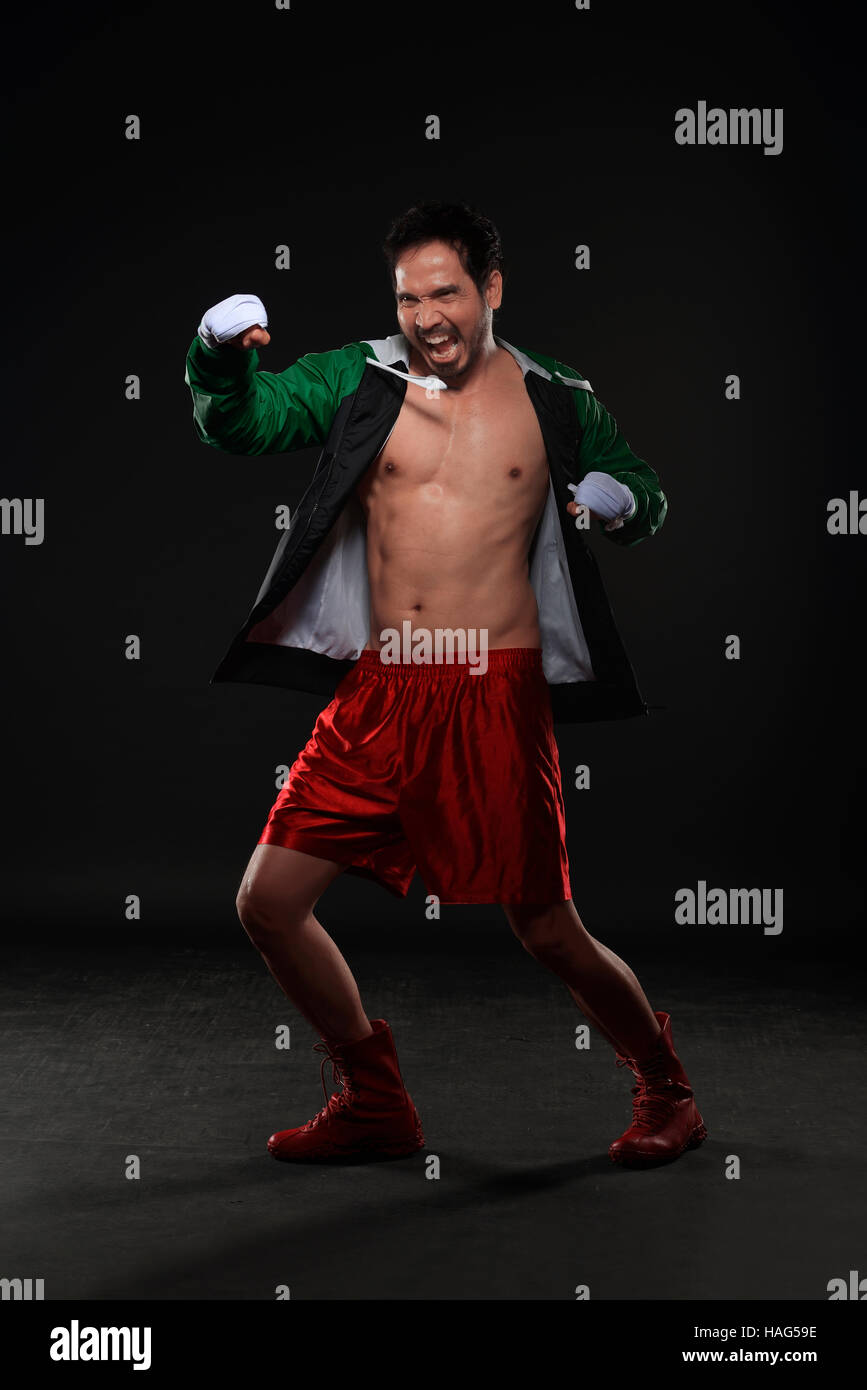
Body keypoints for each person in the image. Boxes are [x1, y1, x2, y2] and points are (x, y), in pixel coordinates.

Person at [184, 201, 706, 1168]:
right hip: (383, 688)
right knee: (268, 901)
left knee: (546, 928)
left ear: (490, 290)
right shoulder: (360, 377)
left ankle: (667, 1090)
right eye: (409, 296)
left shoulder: (556, 396)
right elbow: (245, 425)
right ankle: (375, 1100)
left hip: (494, 691)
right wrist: (219, 355)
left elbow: (644, 490)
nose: (427, 316)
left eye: (447, 293)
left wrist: (624, 501)